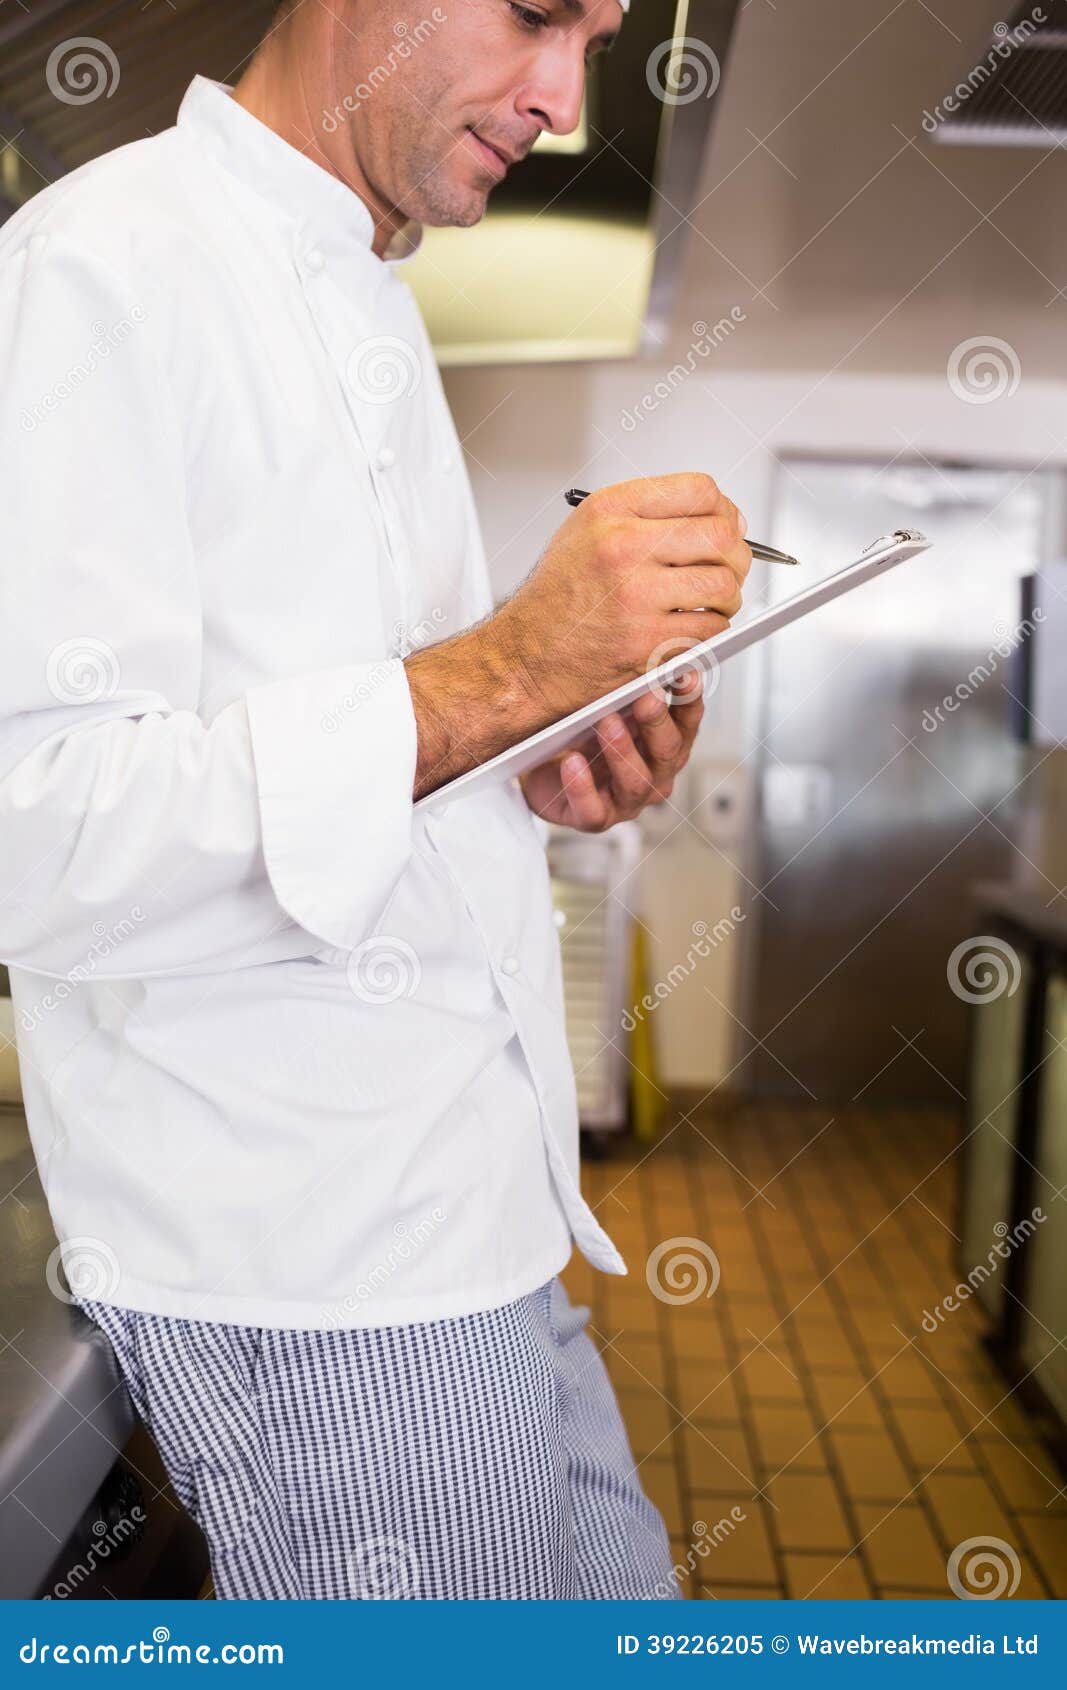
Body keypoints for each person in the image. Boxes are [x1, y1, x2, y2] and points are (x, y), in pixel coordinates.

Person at [0, 0, 750, 1599]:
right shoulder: (103, 264)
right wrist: (496, 671)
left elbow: (357, 748)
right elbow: (36, 829)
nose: (563, 99)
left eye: (599, 39)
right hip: (312, 1268)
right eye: (539, 14)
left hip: (481, 1220)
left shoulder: (370, 292)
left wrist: (541, 747)